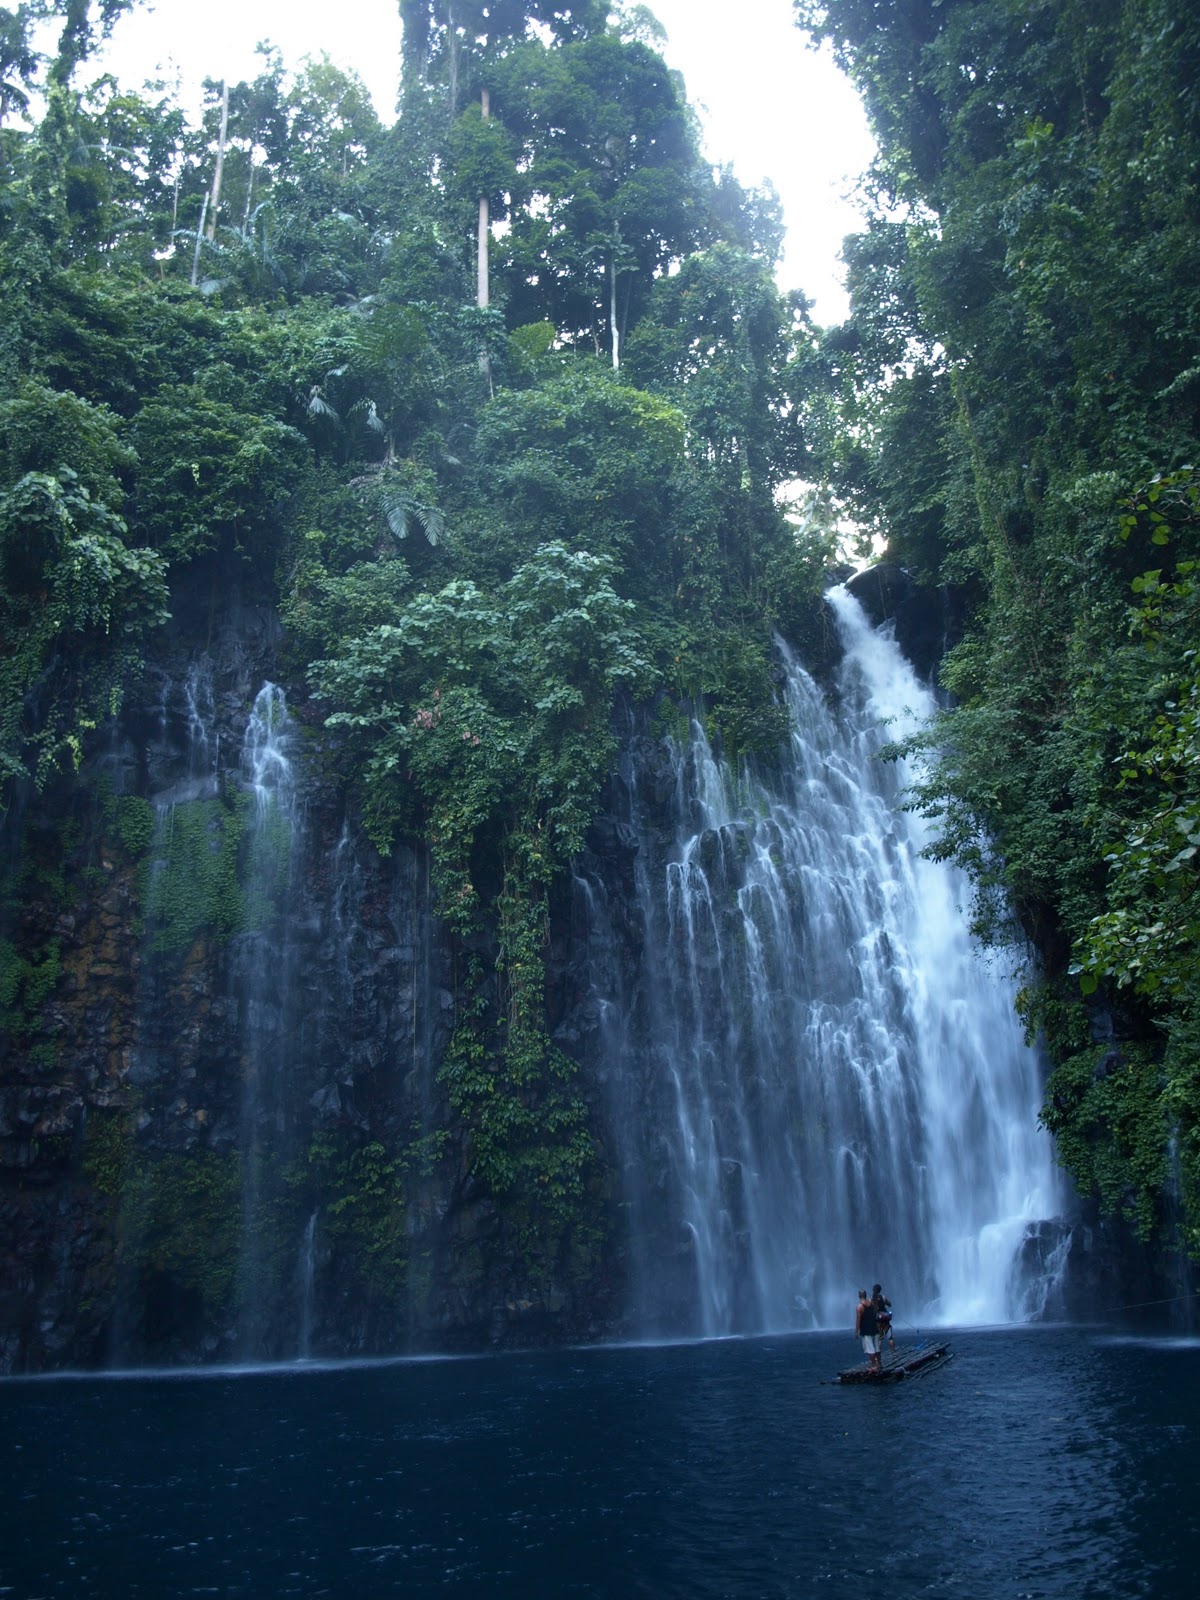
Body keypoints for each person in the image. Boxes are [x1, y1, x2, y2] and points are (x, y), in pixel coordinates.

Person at [855, 1286, 880, 1370]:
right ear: (865, 1295)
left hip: (866, 1330)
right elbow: (876, 1311)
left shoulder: (859, 1307)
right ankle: (879, 1364)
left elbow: (858, 1320)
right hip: (874, 1328)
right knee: (877, 1347)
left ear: (859, 1296)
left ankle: (873, 1365)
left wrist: (856, 1332)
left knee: (870, 1349)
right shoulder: (871, 1303)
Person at [872, 1283, 895, 1354]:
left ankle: (877, 1355)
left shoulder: (872, 1299)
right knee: (890, 1338)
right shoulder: (883, 1297)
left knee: (879, 1339)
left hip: (878, 1321)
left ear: (874, 1290)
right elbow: (889, 1304)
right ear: (880, 1290)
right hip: (886, 1319)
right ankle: (893, 1353)